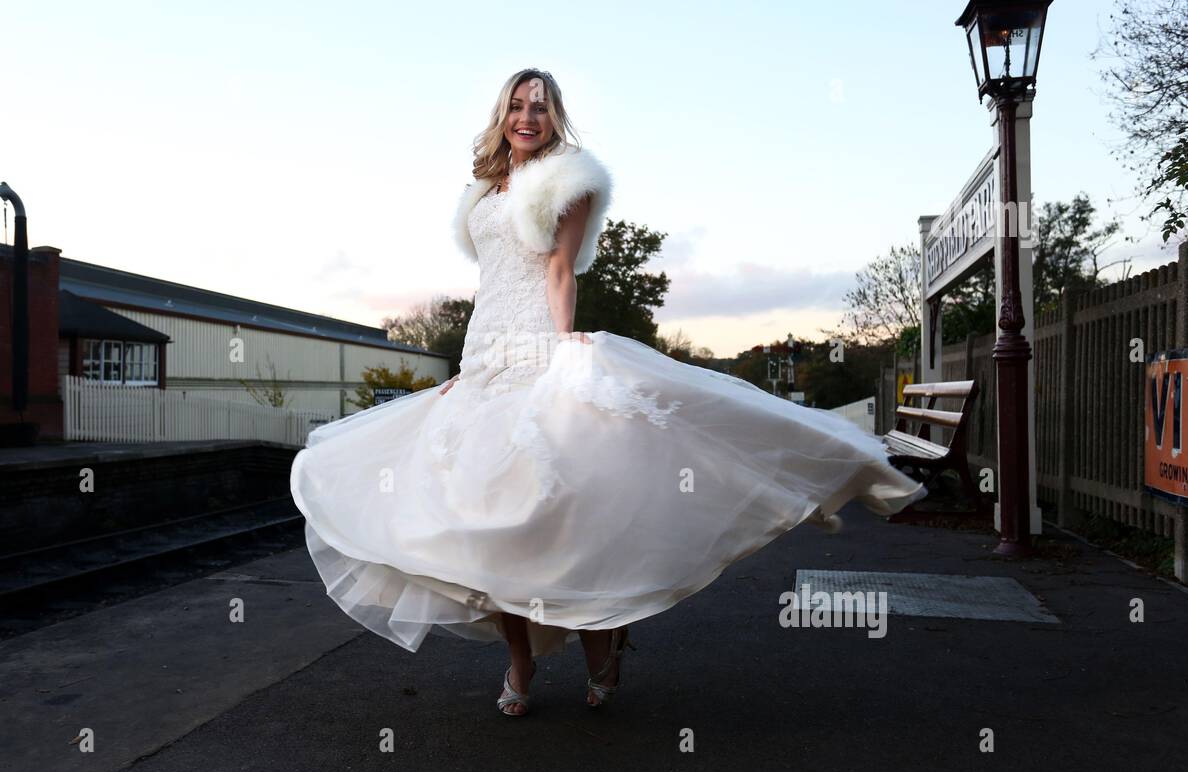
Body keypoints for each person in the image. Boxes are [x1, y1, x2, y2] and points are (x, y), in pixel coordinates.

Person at [290, 67, 928, 717]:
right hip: (485, 355)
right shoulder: (481, 189)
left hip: (539, 348)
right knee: (480, 526)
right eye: (516, 105)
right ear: (502, 114)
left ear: (555, 115)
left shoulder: (568, 182)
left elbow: (560, 268)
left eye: (539, 107)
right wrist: (467, 365)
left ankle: (604, 646)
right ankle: (520, 660)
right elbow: (492, 282)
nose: (527, 117)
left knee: (566, 522)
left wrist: (562, 342)